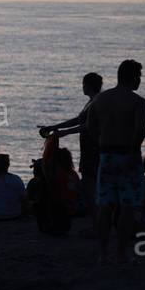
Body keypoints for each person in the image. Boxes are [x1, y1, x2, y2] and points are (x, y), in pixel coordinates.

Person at [86, 59, 145, 263]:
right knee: (128, 207)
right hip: (128, 156)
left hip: (106, 156)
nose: (140, 80)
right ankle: (121, 253)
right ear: (133, 77)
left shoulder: (100, 100)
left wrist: (101, 143)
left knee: (106, 206)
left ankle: (102, 254)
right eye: (139, 76)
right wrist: (133, 152)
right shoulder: (138, 102)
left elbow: (90, 126)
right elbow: (139, 130)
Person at [38, 72, 103, 220]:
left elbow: (88, 125)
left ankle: (98, 225)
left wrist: (65, 133)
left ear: (89, 85)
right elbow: (78, 120)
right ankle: (97, 223)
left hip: (93, 149)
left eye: (83, 84)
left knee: (89, 188)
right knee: (91, 187)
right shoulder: (92, 101)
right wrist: (54, 127)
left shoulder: (97, 102)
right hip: (89, 148)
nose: (82, 87)